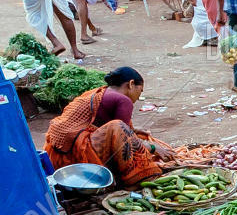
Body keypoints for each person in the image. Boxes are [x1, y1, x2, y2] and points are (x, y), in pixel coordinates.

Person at [45, 67, 174, 186]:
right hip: (75, 153)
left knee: (136, 135)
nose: (139, 96)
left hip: (57, 152)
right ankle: (138, 179)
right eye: (139, 91)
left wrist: (134, 132)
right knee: (123, 131)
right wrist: (152, 147)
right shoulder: (123, 100)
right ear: (131, 84)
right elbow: (122, 134)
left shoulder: (101, 92)